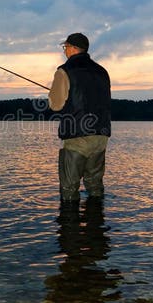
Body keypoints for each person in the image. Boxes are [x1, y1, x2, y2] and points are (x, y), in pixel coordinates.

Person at [48, 32, 111, 203]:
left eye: (65, 47)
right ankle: (96, 217)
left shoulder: (65, 70)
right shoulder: (102, 72)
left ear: (73, 48)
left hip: (77, 137)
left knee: (69, 189)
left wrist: (52, 95)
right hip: (101, 136)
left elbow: (55, 105)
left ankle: (69, 219)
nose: (64, 51)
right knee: (95, 186)